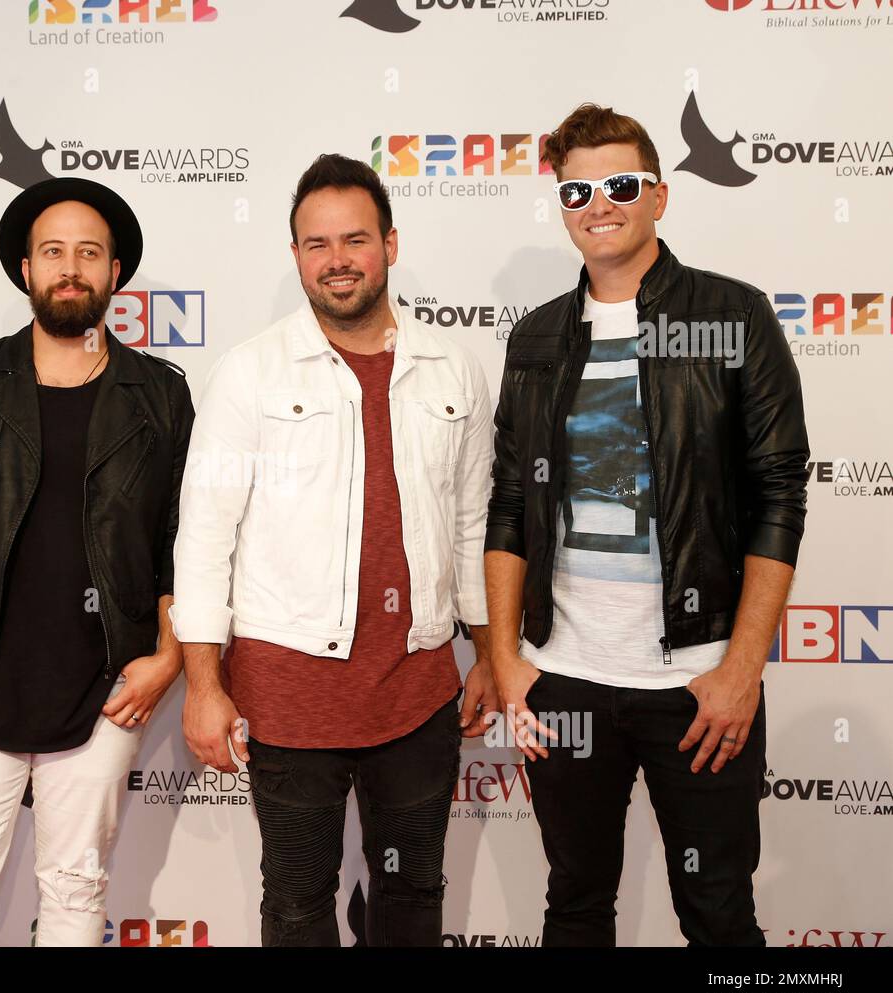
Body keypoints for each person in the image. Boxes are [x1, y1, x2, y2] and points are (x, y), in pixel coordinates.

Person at [484, 103, 809, 946]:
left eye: (621, 185)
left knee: (718, 914)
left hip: (698, 686)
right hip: (566, 683)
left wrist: (741, 668)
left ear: (659, 196)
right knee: (577, 904)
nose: (600, 203)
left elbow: (779, 494)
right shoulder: (538, 339)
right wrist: (508, 662)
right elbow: (511, 501)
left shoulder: (731, 318)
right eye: (578, 190)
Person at [173, 154, 496, 947]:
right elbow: (205, 535)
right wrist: (204, 685)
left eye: (355, 238)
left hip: (419, 689)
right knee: (296, 901)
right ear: (295, 258)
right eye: (317, 244)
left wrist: (488, 650)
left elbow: (473, 523)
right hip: (286, 695)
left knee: (413, 891)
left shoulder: (452, 365)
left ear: (390, 243)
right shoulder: (248, 373)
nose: (338, 259)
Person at [0, 177, 192, 946]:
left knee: (75, 895)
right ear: (25, 269)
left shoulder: (159, 395)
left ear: (114, 273)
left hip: (104, 688)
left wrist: (169, 656)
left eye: (88, 253)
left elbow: (182, 541)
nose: (70, 267)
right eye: (52, 251)